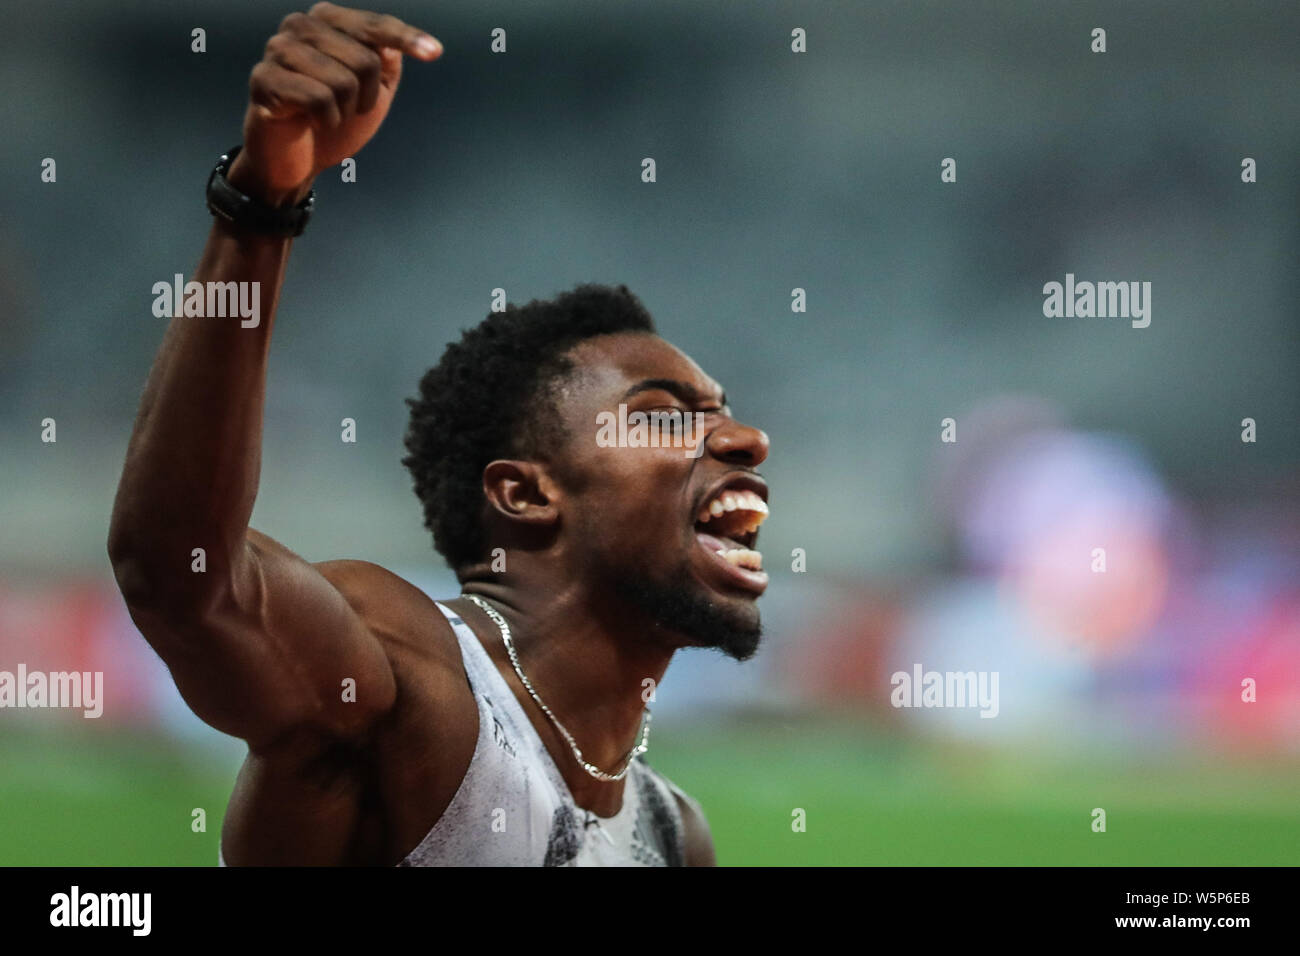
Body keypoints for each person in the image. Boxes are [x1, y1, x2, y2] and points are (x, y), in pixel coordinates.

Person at [108, 2, 771, 866]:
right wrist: (258, 209)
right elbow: (181, 577)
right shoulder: (406, 673)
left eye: (720, 413)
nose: (743, 440)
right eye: (661, 416)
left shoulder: (673, 832)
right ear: (526, 494)